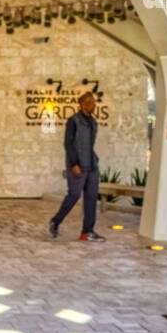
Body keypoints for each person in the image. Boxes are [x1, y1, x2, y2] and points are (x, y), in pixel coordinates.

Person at [49, 91, 105, 242]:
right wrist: (73, 164)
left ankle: (87, 232)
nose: (94, 105)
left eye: (94, 102)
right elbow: (68, 143)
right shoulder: (73, 121)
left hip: (92, 165)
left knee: (91, 198)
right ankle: (55, 221)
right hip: (78, 165)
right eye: (91, 102)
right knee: (74, 195)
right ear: (83, 104)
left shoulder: (93, 122)